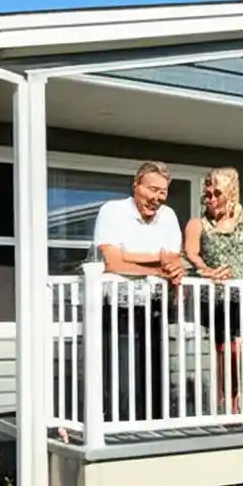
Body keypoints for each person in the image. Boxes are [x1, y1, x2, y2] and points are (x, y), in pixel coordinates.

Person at [183, 167, 243, 424]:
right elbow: (190, 253)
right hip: (217, 298)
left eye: (217, 193)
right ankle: (230, 405)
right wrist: (207, 270)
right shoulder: (197, 224)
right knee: (225, 350)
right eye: (208, 193)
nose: (211, 198)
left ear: (231, 193)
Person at [92, 160, 185, 423]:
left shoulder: (168, 216)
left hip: (155, 304)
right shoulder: (112, 211)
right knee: (120, 373)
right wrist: (157, 263)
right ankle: (116, 429)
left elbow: (174, 261)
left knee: (153, 372)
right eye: (152, 189)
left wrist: (134, 258)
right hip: (118, 305)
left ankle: (152, 430)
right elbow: (112, 262)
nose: (157, 198)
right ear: (136, 185)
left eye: (163, 192)